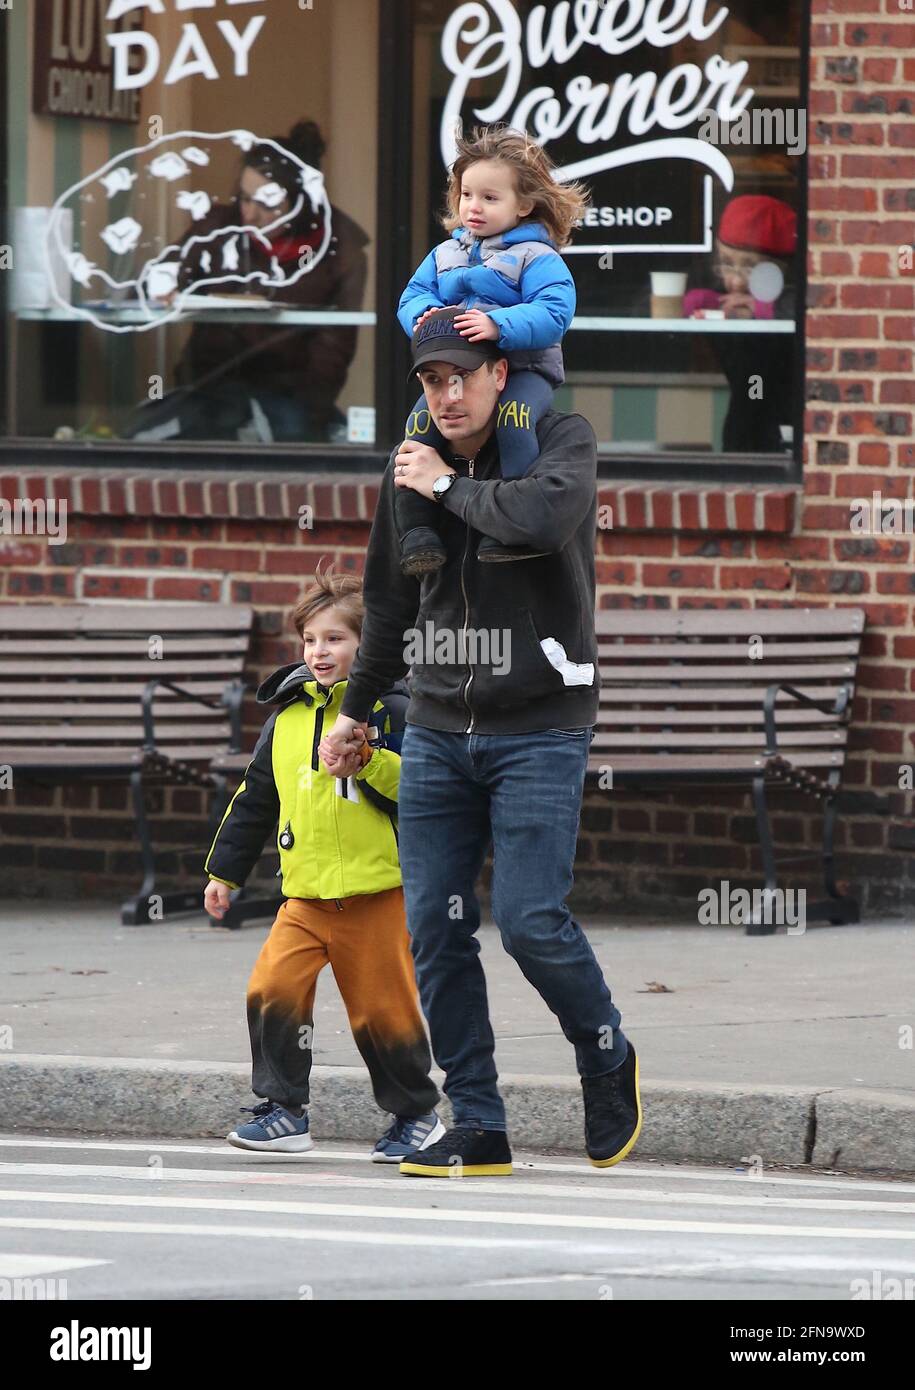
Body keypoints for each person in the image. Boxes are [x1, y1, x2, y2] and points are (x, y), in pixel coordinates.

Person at [324, 313, 642, 1179]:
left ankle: (605, 1052)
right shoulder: (410, 462)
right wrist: (354, 713)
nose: (446, 393)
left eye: (461, 375)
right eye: (431, 381)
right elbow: (387, 605)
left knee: (532, 924)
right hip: (434, 729)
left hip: (538, 725)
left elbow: (539, 520)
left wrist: (444, 487)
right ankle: (478, 1119)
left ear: (500, 374)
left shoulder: (555, 438)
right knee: (433, 926)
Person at [203, 566, 443, 1162]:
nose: (319, 651)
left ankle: (415, 1117)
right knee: (271, 990)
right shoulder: (284, 719)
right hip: (304, 897)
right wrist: (223, 873)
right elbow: (255, 799)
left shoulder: (392, 709)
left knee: (384, 1012)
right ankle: (285, 1112)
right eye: (310, 639)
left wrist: (369, 760)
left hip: (377, 895)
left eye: (335, 638)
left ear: (367, 644)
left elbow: (424, 793)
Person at [394, 123, 587, 574]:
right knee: (418, 422)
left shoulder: (537, 258)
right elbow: (412, 296)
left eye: (489, 198)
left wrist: (498, 324)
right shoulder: (446, 253)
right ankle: (417, 531)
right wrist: (424, 318)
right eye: (466, 195)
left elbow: (555, 312)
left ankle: (510, 530)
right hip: (458, 368)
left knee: (514, 418)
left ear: (524, 204)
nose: (473, 207)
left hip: (524, 370)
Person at [128, 120, 369, 444]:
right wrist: (159, 284)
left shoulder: (339, 250)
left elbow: (333, 351)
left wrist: (305, 408)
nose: (250, 215)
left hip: (290, 398)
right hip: (208, 388)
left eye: (267, 204)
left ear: (301, 202)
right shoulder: (216, 228)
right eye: (244, 199)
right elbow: (152, 283)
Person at [684, 194, 797, 453]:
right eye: (726, 264)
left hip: (788, 431)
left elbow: (810, 309)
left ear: (780, 271)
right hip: (740, 432)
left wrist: (764, 310)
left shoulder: (793, 297)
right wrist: (692, 303)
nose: (735, 282)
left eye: (750, 268)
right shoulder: (714, 288)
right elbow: (639, 303)